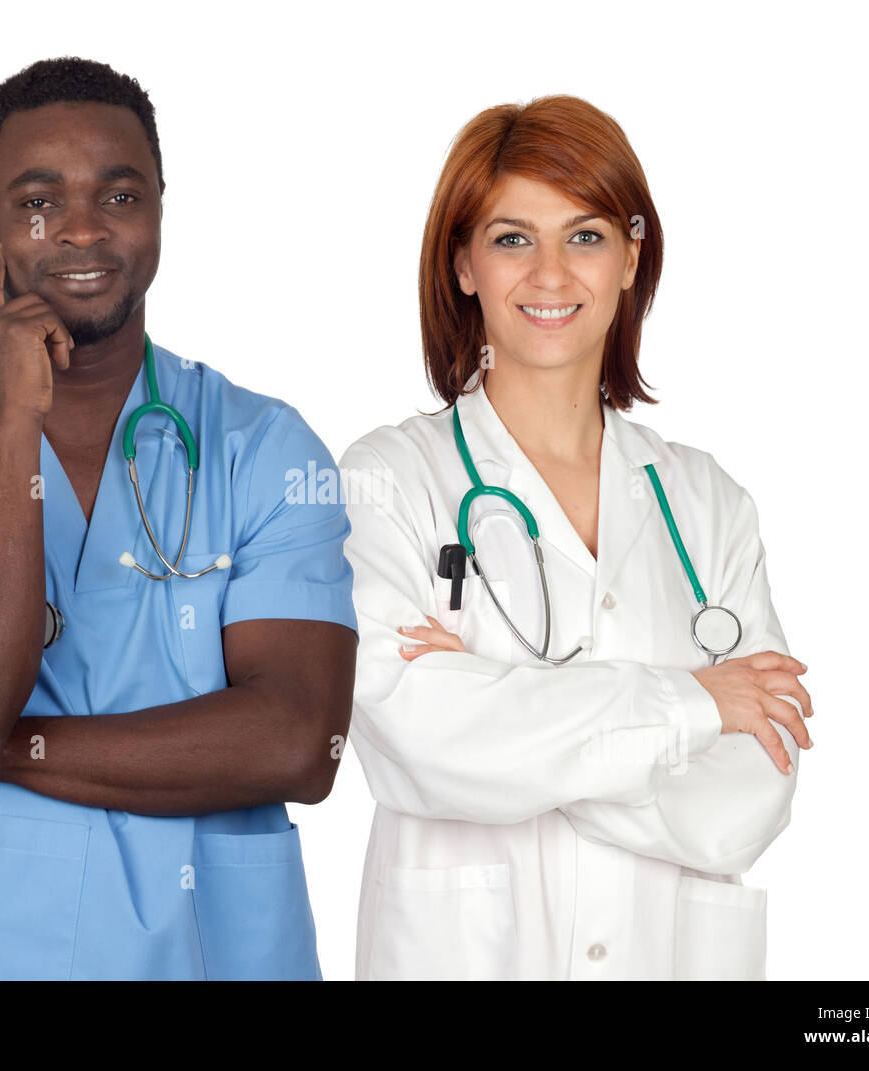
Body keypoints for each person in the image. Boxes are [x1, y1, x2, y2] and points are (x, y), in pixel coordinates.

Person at [0, 57, 357, 981]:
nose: (80, 228)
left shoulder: (264, 447)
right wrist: (13, 424)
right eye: (35, 201)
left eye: (118, 193)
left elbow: (301, 743)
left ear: (158, 210)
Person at [339, 95, 813, 981]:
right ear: (465, 265)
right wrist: (693, 705)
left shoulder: (708, 504)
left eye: (587, 235)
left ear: (632, 257)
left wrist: (508, 726)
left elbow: (753, 792)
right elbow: (417, 738)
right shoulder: (388, 480)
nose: (551, 273)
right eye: (512, 237)